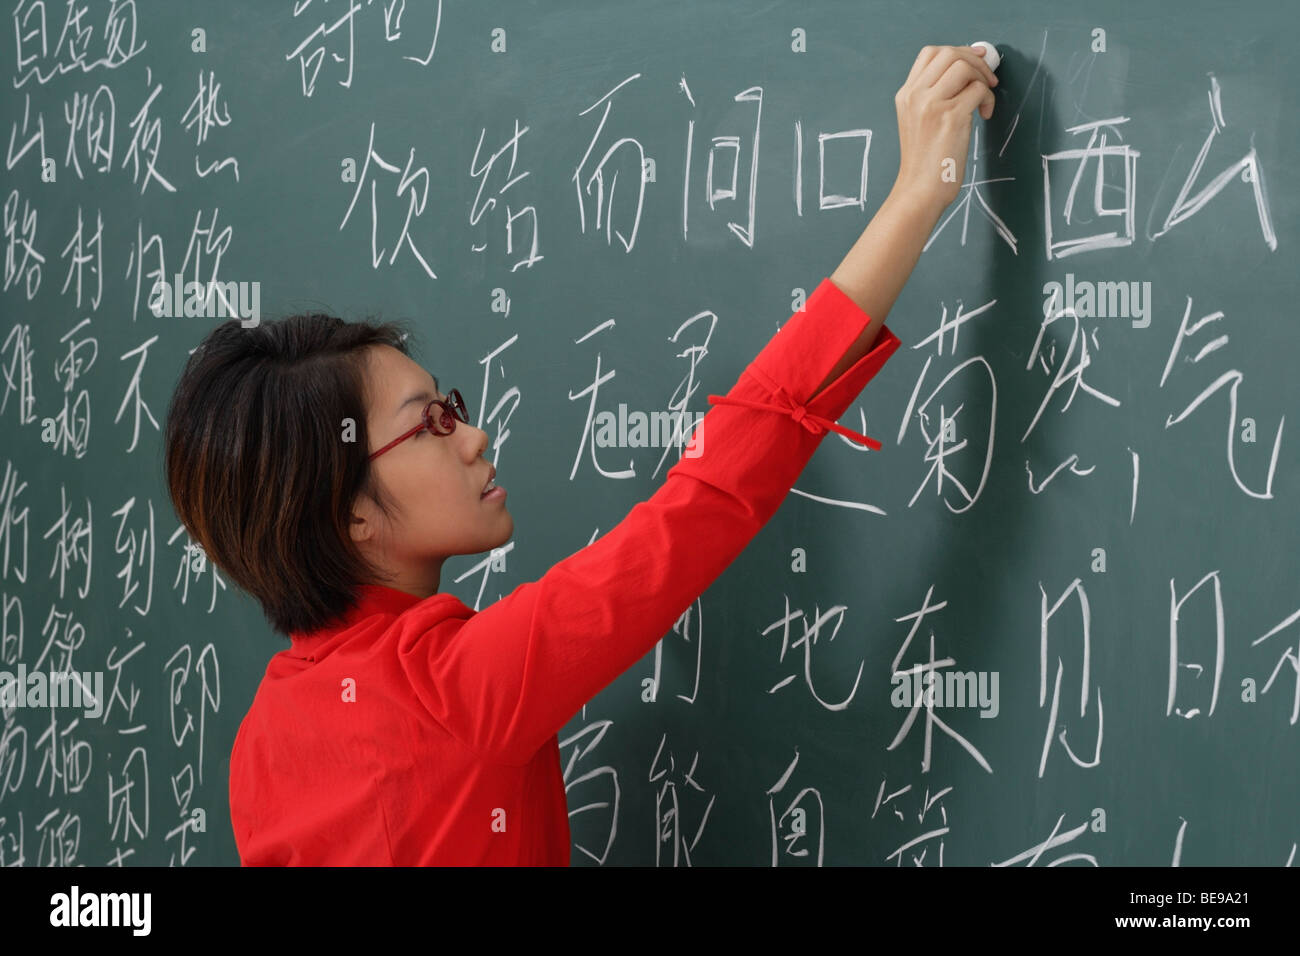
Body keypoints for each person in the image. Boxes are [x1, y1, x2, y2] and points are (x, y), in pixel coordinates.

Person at [163, 45, 997, 865]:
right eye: (431, 425)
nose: (474, 433)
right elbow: (705, 500)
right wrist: (922, 191)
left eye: (452, 407)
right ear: (348, 515)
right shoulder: (459, 692)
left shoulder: (262, 739)